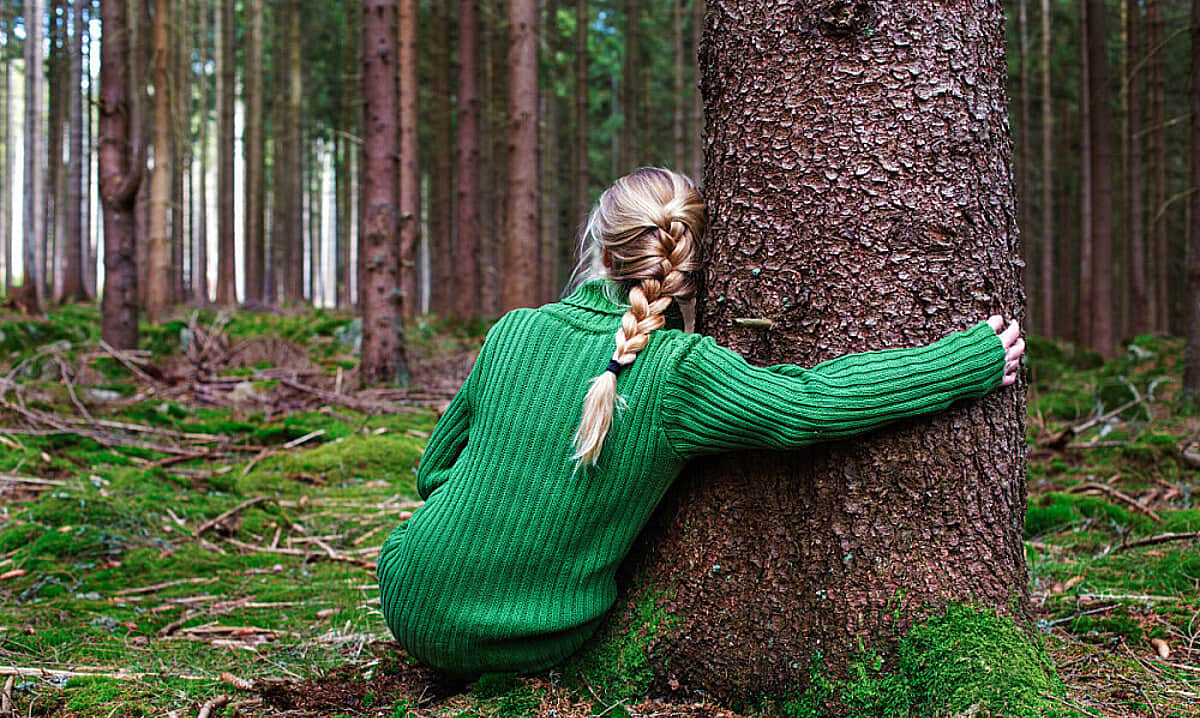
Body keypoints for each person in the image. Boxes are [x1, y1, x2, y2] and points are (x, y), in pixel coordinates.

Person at [376, 167, 1024, 676]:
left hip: (407, 593)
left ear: (600, 249)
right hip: (530, 633)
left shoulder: (515, 328)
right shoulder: (679, 370)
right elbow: (810, 403)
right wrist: (963, 361)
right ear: (690, 263)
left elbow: (434, 470)